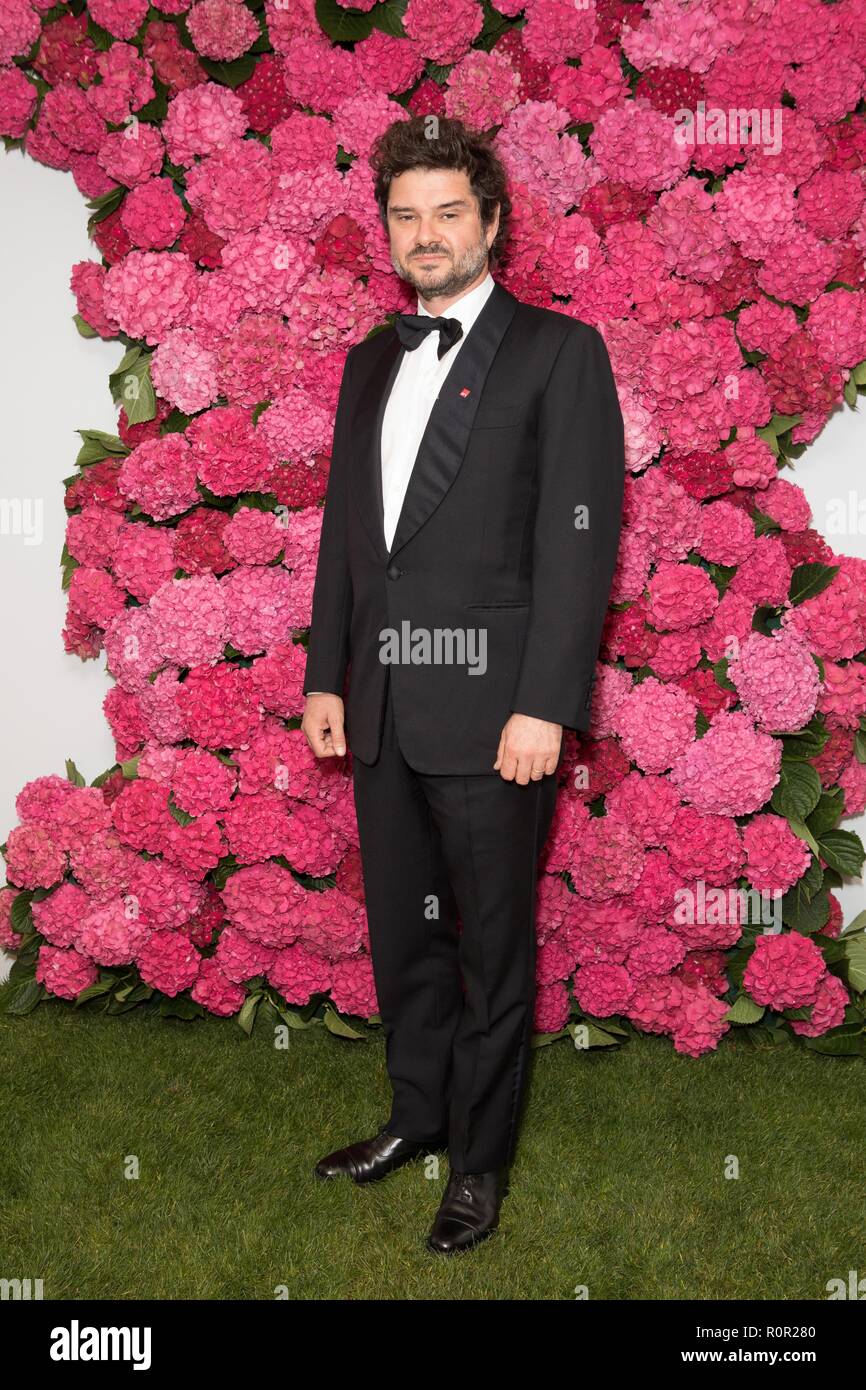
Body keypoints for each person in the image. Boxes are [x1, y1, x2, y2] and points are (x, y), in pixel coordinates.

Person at [301, 114, 625, 1255]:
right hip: (381, 704)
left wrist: (543, 703)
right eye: (405, 215)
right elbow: (352, 533)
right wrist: (326, 676)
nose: (426, 233)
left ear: (490, 222)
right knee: (404, 936)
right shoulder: (368, 360)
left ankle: (477, 1166)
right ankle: (412, 1115)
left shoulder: (555, 352)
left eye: (449, 211)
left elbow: (576, 544)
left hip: (497, 718)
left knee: (491, 947)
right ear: (386, 233)